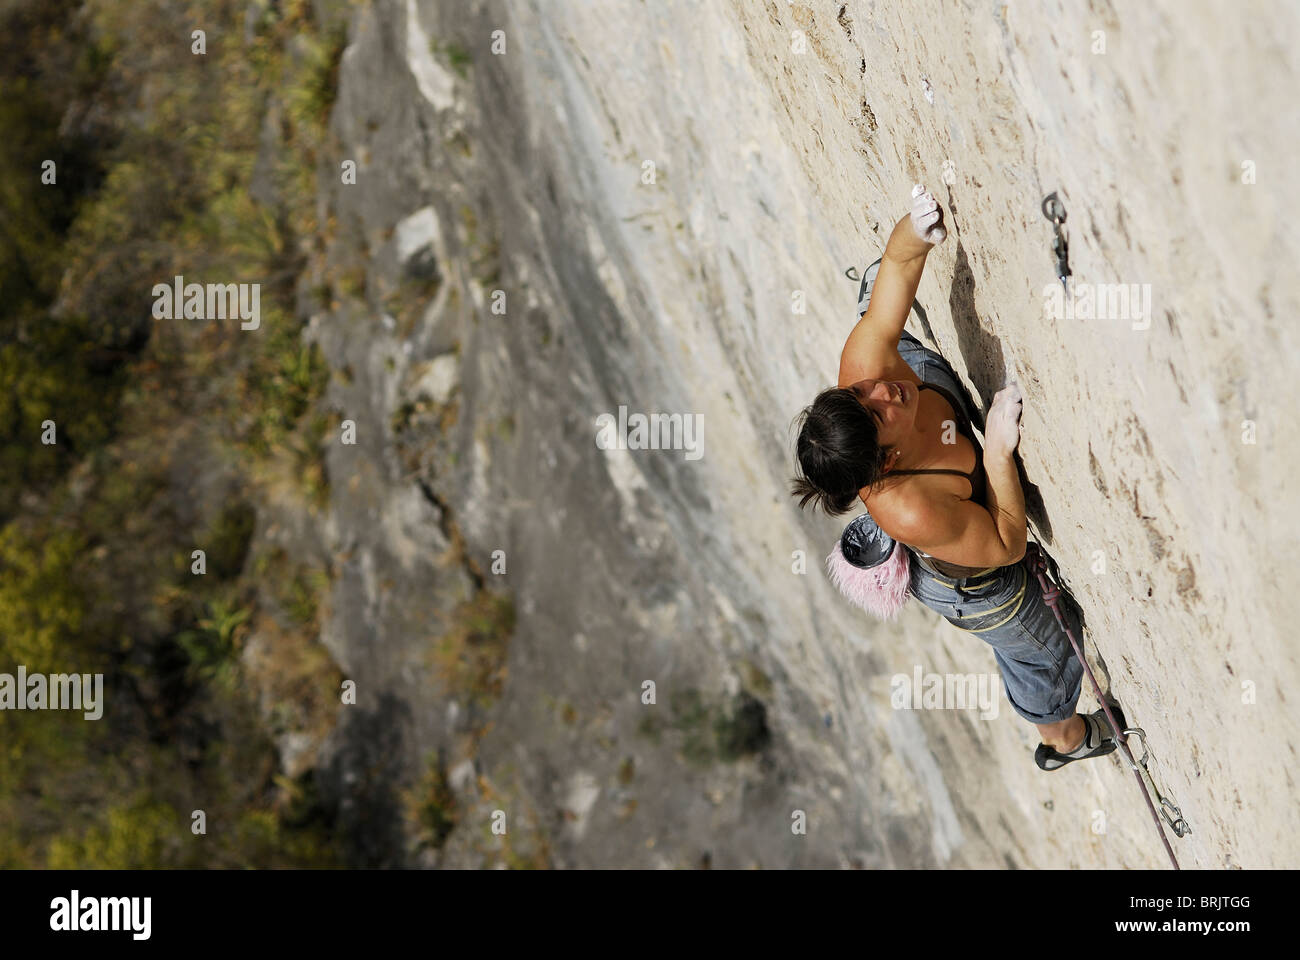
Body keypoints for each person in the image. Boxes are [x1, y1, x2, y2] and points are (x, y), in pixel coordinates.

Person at [790, 184, 1122, 770]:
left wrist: (913, 232)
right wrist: (994, 454)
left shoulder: (866, 372)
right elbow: (1005, 544)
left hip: (943, 482)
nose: (883, 389)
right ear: (886, 464)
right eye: (875, 411)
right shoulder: (908, 506)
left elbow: (897, 264)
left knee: (888, 332)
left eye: (858, 392)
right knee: (1045, 648)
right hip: (979, 582)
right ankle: (1064, 741)